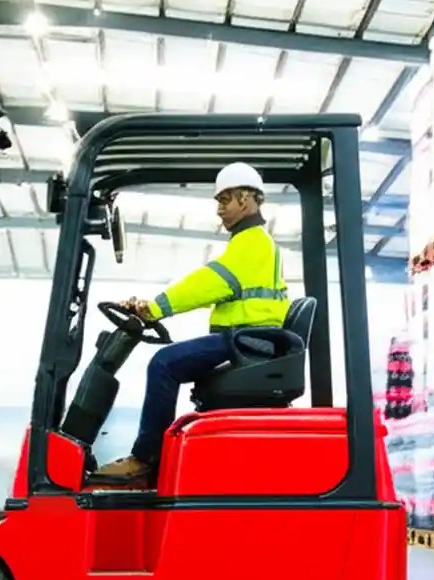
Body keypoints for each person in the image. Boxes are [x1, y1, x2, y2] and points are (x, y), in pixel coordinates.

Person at [92, 161, 290, 483]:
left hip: (246, 341)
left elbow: (208, 283)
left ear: (247, 198)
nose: (220, 210)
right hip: (249, 340)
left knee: (164, 363)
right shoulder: (253, 242)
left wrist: (153, 308)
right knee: (170, 362)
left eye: (225, 200)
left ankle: (145, 460)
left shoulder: (253, 242)